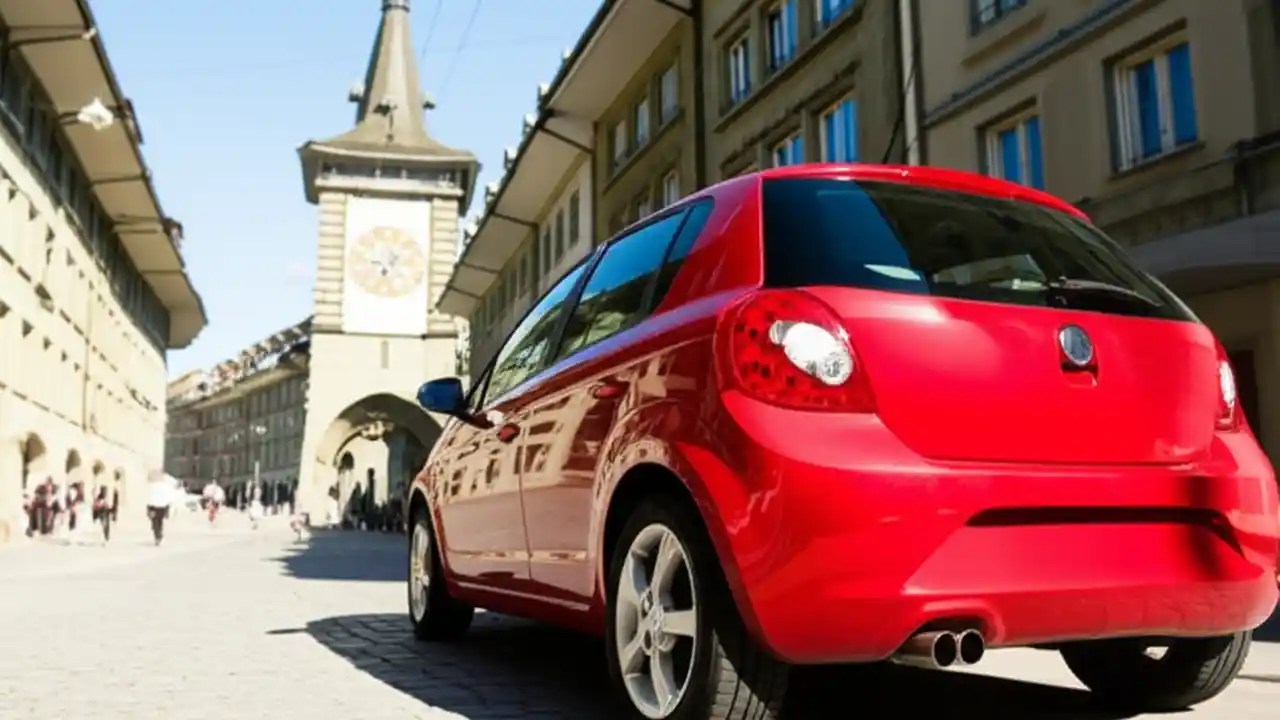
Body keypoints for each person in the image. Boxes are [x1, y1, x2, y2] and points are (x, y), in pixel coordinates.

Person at [145, 472, 178, 546]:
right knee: (159, 521)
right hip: (162, 507)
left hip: (153, 507)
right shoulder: (164, 487)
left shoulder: (152, 486)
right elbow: (168, 498)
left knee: (155, 522)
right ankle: (159, 535)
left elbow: (149, 497)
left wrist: (148, 508)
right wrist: (167, 508)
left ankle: (157, 535)